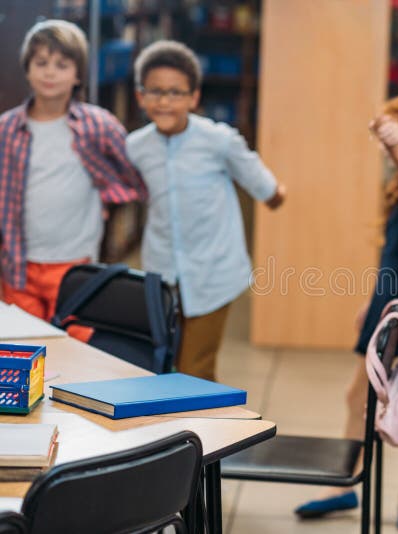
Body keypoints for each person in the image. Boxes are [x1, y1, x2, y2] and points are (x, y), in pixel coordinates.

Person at [294, 90, 398, 532]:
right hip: (388, 304)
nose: (388, 151)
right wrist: (372, 301)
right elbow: (393, 254)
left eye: (397, 139)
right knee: (358, 396)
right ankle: (346, 479)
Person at [126, 40, 286, 382]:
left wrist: (275, 194)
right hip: (162, 271)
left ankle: (198, 432)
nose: (165, 101)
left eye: (175, 92)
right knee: (163, 362)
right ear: (140, 96)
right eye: (155, 91)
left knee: (194, 368)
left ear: (194, 97)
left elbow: (265, 186)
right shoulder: (135, 147)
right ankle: (180, 428)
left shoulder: (219, 141)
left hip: (214, 271)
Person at [0, 19, 145, 320]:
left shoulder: (98, 125)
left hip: (76, 263)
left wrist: (110, 195)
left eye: (62, 64)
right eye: (41, 62)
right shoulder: (7, 128)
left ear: (78, 74)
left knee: (75, 348)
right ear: (27, 68)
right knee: (26, 351)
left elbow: (135, 171)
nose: (50, 72)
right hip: (18, 264)